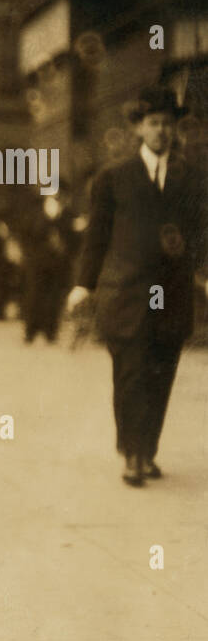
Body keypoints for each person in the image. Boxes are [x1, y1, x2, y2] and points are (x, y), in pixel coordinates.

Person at [68, 86, 208, 487]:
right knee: (130, 374)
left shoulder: (192, 178)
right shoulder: (113, 178)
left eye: (167, 124)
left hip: (172, 294)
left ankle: (148, 450)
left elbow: (200, 234)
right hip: (127, 294)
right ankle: (131, 453)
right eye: (153, 124)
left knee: (161, 374)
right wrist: (83, 285)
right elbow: (97, 236)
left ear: (174, 129)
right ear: (138, 128)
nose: (161, 131)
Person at [21, 184, 82, 343]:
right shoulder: (37, 213)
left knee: (54, 298)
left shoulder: (68, 214)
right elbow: (29, 235)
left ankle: (50, 331)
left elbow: (75, 241)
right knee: (35, 296)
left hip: (59, 263)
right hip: (38, 262)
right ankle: (31, 331)